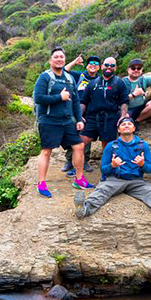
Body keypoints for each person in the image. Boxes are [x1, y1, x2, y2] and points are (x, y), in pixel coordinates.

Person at [74, 116, 151, 234]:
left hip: (136, 181)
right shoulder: (111, 146)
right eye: (123, 124)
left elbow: (149, 169)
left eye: (129, 124)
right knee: (102, 190)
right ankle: (85, 209)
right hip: (115, 179)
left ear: (134, 128)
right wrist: (112, 165)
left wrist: (142, 164)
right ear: (118, 129)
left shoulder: (143, 146)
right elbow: (104, 170)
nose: (126, 125)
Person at [33, 47, 93, 198]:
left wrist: (79, 119)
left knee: (78, 146)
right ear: (50, 60)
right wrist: (59, 97)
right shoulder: (44, 77)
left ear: (64, 60)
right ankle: (41, 184)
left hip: (67, 121)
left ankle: (79, 179)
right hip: (48, 120)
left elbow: (75, 100)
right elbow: (38, 98)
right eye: (56, 57)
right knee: (47, 151)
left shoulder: (69, 78)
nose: (59, 59)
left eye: (62, 57)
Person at [61, 55, 101, 174]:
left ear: (99, 67)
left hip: (91, 112)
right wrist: (75, 61)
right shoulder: (79, 76)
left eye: (96, 63)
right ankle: (69, 160)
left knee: (85, 135)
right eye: (91, 63)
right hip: (74, 110)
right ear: (87, 65)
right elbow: (64, 71)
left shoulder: (100, 79)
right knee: (71, 135)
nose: (93, 65)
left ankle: (84, 161)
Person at [80, 56, 129, 150]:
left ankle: (106, 165)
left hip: (110, 118)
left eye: (112, 65)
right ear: (102, 66)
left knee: (107, 149)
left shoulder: (119, 83)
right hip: (92, 118)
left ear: (115, 68)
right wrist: (80, 115)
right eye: (106, 65)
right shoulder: (93, 83)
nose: (109, 67)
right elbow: (83, 101)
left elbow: (124, 101)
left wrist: (122, 116)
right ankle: (76, 164)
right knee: (79, 144)